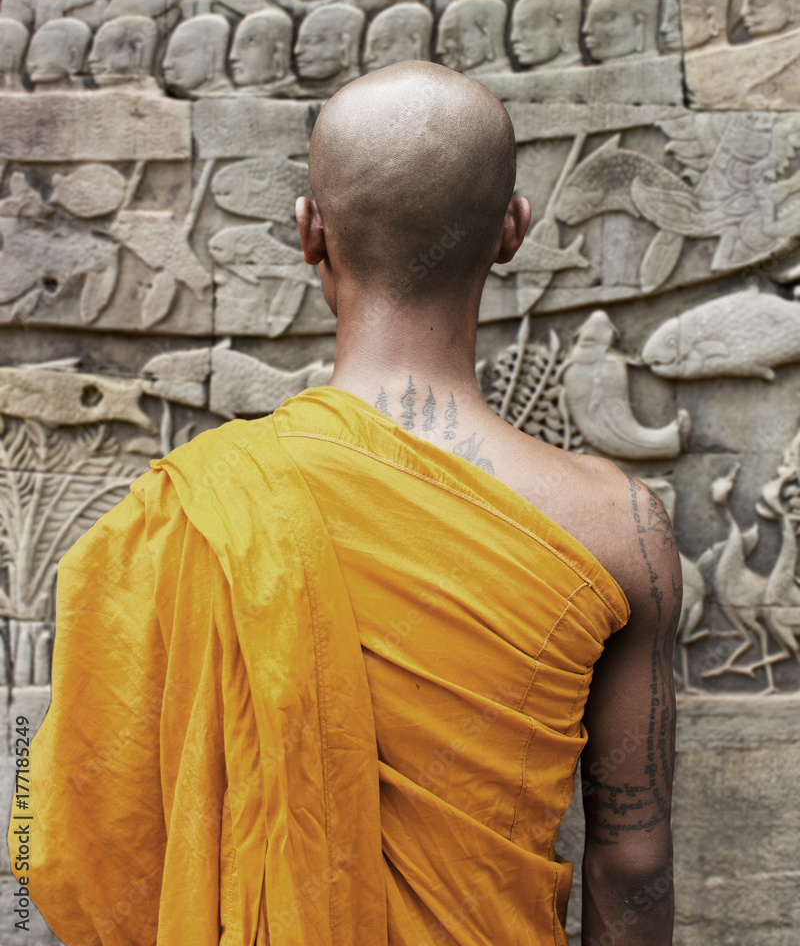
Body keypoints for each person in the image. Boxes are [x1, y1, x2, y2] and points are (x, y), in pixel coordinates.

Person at [8, 61, 680, 945]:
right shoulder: (617, 524)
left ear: (308, 231)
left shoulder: (188, 514)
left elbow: (81, 834)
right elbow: (633, 863)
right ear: (512, 229)